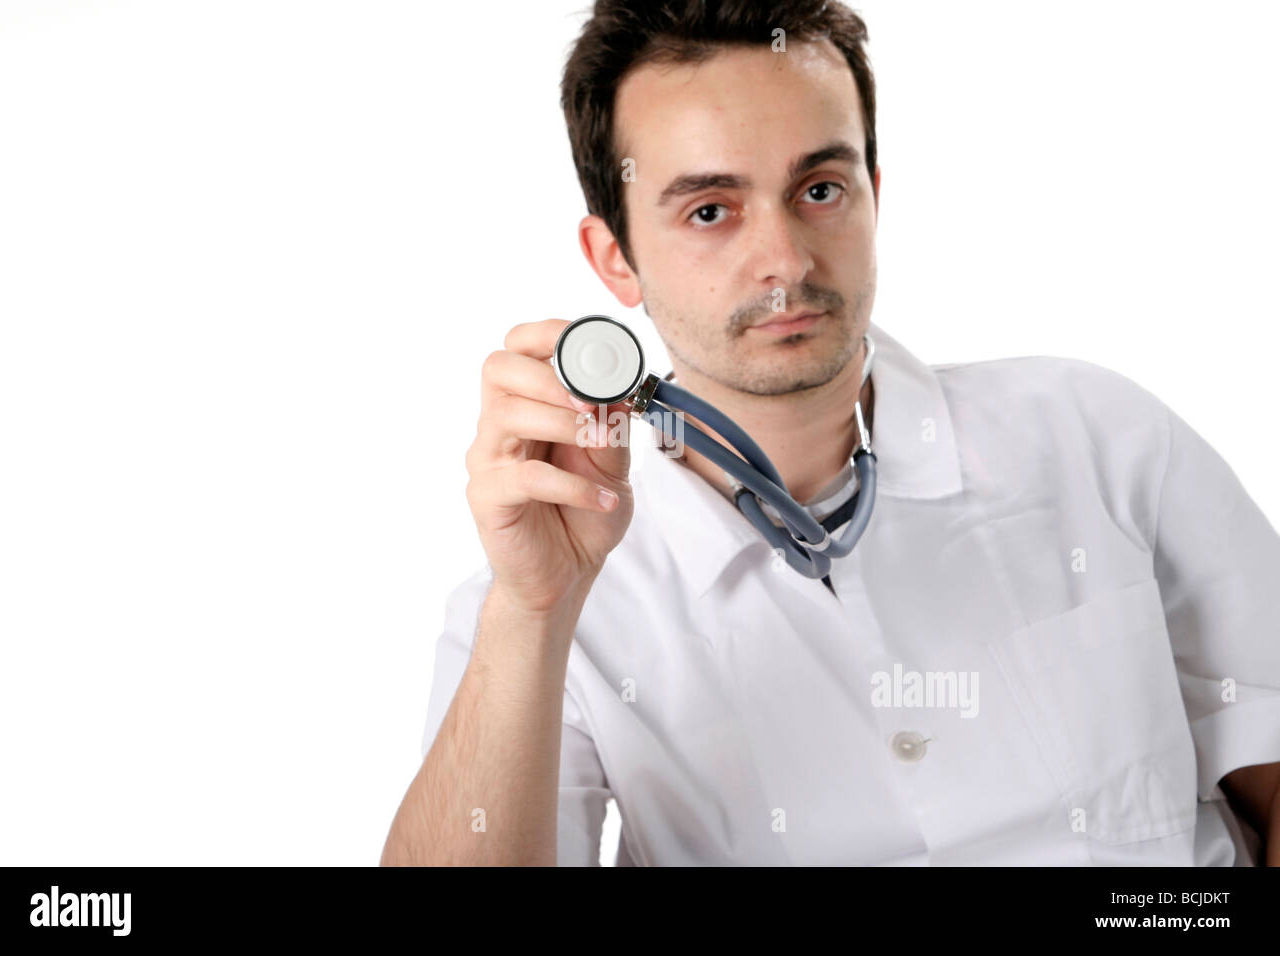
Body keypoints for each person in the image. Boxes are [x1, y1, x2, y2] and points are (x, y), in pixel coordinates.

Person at [380, 0, 1280, 866]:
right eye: (709, 210)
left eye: (819, 189)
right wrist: (534, 612)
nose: (785, 261)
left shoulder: (1103, 440)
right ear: (614, 257)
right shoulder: (536, 599)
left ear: (873, 199)